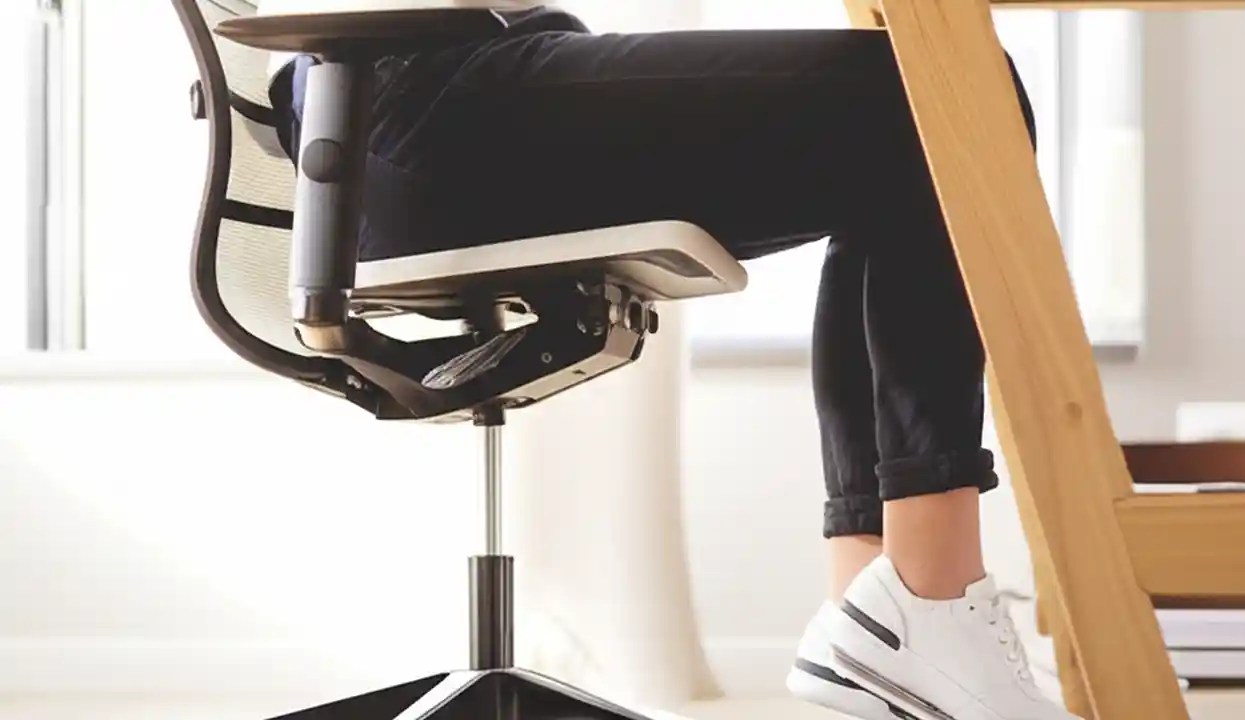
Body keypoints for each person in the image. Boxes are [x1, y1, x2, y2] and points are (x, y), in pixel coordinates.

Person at [264, 2, 1076, 719]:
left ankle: (876, 606)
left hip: (412, 101)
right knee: (948, 96)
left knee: (909, 130)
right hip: (425, 100)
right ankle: (932, 595)